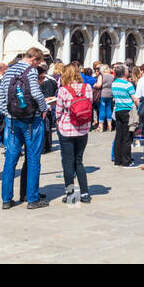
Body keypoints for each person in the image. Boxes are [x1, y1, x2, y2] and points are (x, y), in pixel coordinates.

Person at [0, 47, 52, 209]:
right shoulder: (31, 71)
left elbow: (0, 100)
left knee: (10, 160)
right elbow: (35, 92)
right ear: (34, 59)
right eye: (38, 62)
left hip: (13, 122)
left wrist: (10, 114)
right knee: (33, 159)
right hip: (31, 121)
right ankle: (32, 199)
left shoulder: (9, 71)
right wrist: (43, 109)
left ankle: (6, 199)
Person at [54, 64, 93, 204]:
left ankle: (70, 193)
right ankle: (85, 193)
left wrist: (58, 121)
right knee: (79, 161)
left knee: (68, 162)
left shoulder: (63, 90)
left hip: (66, 129)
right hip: (83, 129)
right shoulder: (87, 88)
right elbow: (90, 104)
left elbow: (58, 111)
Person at [111, 63, 136, 167]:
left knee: (118, 136)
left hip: (118, 110)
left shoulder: (114, 83)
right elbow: (135, 98)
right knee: (127, 137)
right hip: (127, 110)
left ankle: (118, 160)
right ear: (124, 73)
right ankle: (126, 161)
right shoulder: (128, 84)